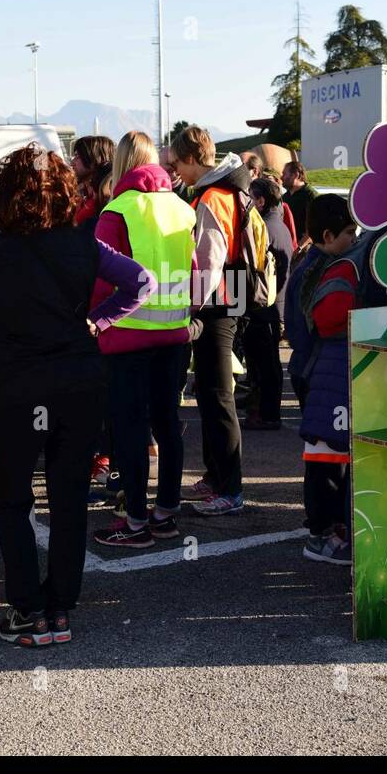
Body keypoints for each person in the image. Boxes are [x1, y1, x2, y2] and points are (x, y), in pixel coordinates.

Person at [0, 144, 151, 647]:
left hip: (19, 390)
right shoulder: (84, 244)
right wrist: (98, 321)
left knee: (12, 500)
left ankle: (28, 612)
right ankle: (59, 609)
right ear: (63, 192)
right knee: (69, 498)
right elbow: (141, 282)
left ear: (9, 196)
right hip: (80, 383)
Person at [89, 131, 196, 549]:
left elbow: (102, 283)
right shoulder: (183, 209)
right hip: (173, 333)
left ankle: (134, 522)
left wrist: (95, 321)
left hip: (127, 336)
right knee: (168, 424)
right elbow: (194, 269)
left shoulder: (117, 211)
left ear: (121, 163)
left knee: (130, 431)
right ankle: (166, 513)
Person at [294, 195, 387, 564]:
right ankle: (322, 532)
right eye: (350, 232)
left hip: (317, 372)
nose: (355, 238)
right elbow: (322, 323)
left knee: (331, 453)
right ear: (330, 234)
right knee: (325, 456)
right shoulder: (331, 269)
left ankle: (329, 526)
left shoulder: (317, 264)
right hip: (322, 372)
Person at [170, 126, 250, 516]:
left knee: (218, 394)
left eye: (177, 163)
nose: (176, 173)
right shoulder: (226, 188)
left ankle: (230, 488)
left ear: (190, 158)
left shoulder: (213, 197)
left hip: (216, 302)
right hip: (229, 295)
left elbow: (210, 259)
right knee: (209, 390)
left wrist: (192, 306)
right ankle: (217, 477)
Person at [241, 176, 294, 430]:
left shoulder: (263, 228)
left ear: (260, 201)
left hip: (263, 308)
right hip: (276, 306)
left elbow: (253, 271)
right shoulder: (280, 226)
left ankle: (265, 414)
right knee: (269, 363)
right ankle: (268, 412)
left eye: (250, 196)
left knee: (263, 366)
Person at [71, 136, 115, 227]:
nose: (72, 162)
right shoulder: (86, 195)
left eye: (77, 156)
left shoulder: (103, 201)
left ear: (93, 159)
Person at [281, 160, 317, 240]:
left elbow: (313, 228)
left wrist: (299, 248)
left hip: (304, 249)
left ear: (295, 175)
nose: (281, 177)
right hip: (287, 244)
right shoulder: (284, 197)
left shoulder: (310, 195)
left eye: (284, 174)